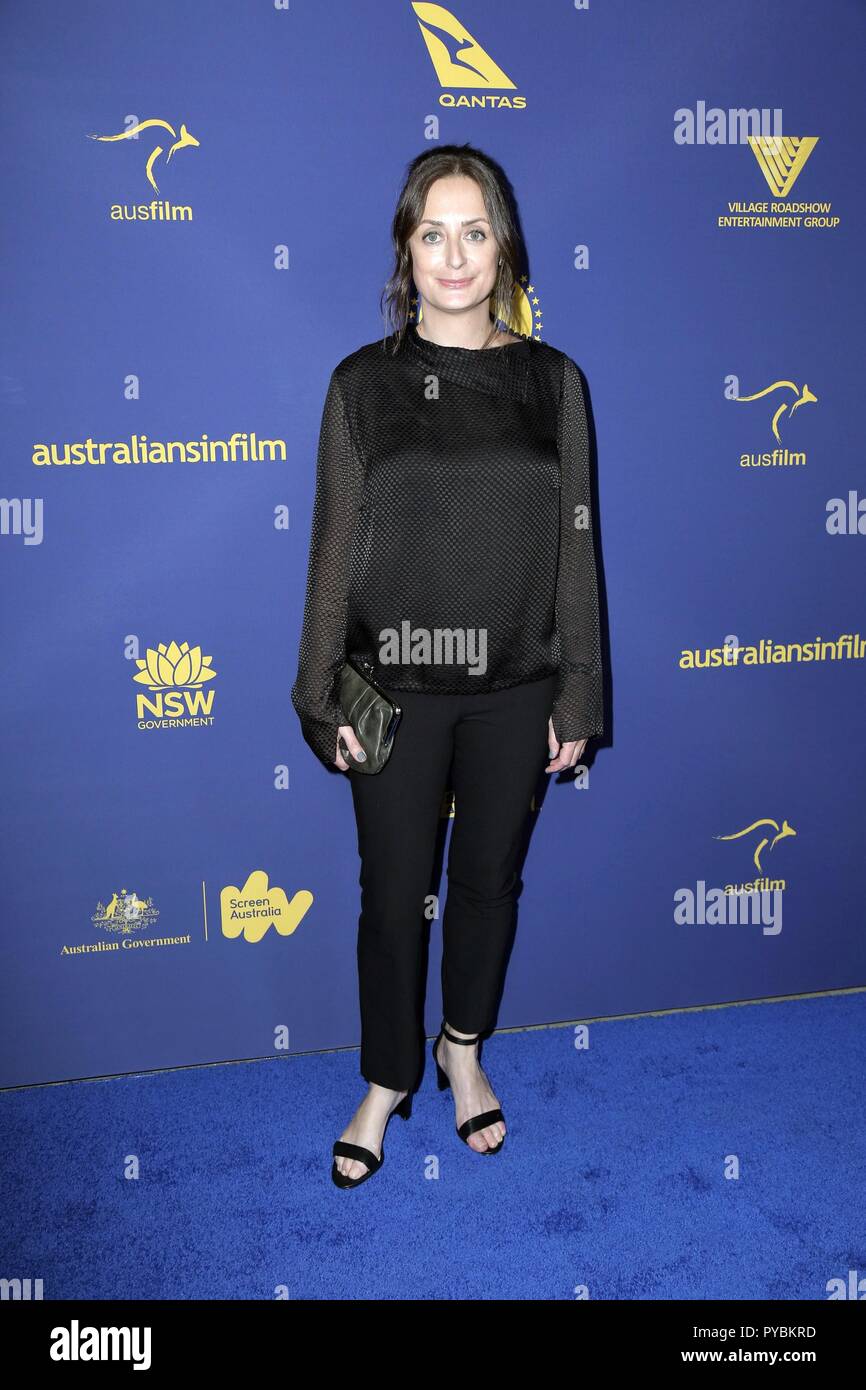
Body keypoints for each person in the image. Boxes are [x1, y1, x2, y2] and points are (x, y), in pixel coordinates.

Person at [291, 143, 604, 1188]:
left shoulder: (553, 381)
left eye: (474, 232)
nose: (455, 254)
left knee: (484, 886)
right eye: (433, 232)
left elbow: (574, 545)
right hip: (395, 690)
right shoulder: (359, 387)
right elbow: (333, 553)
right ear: (405, 249)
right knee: (391, 898)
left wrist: (579, 691)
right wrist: (318, 688)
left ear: (502, 246)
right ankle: (386, 1079)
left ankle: (459, 1051)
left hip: (516, 687)